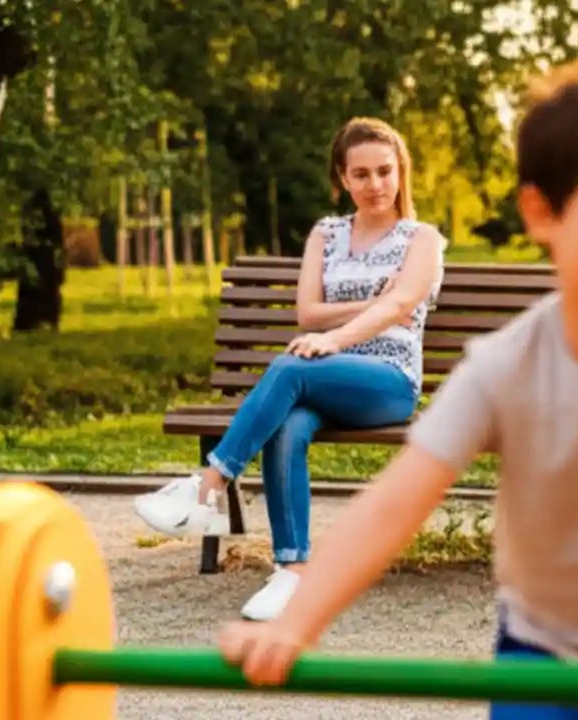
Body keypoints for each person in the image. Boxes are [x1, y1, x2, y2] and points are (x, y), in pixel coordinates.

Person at [216, 55, 578, 720]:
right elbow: (396, 502)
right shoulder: (507, 363)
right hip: (545, 649)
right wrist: (296, 625)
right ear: (543, 213)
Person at [133, 116, 446, 621]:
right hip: (329, 371)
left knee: (290, 367)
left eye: (385, 171)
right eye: (361, 174)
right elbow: (308, 313)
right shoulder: (327, 233)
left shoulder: (422, 239)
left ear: (401, 171)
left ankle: (206, 487)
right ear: (343, 178)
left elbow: (400, 308)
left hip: (388, 379)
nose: (375, 185)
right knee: (290, 424)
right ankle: (293, 572)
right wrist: (368, 304)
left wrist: (334, 337)